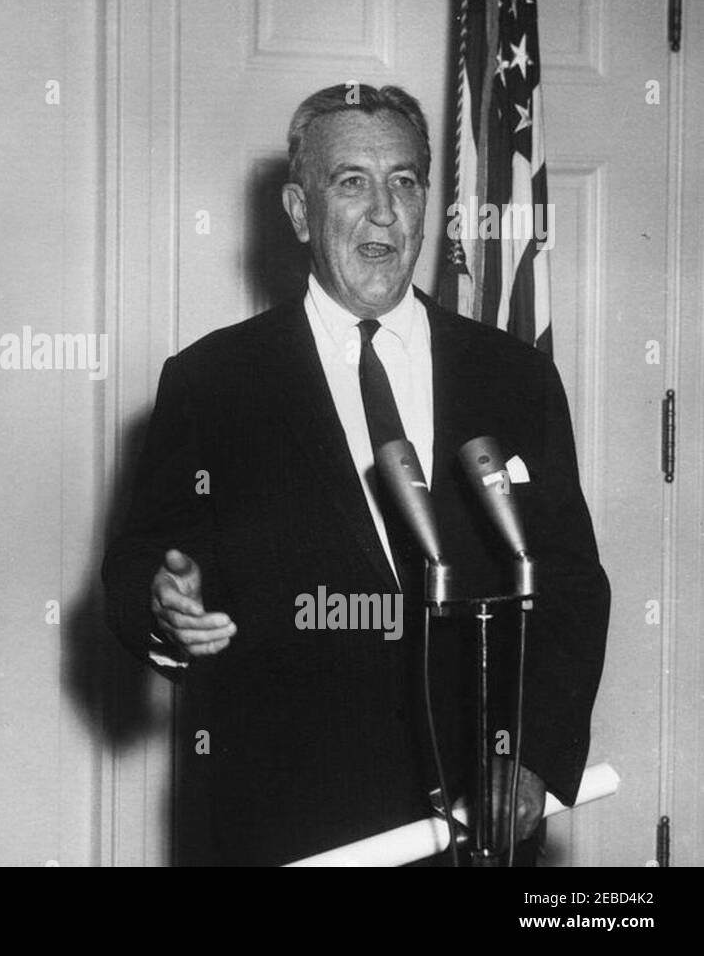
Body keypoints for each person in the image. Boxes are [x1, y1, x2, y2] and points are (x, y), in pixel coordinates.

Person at [102, 83, 610, 866]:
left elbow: (570, 581)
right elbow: (141, 561)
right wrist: (165, 605)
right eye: (352, 182)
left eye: (405, 181)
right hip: (285, 821)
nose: (383, 210)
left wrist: (534, 757)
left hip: (475, 819)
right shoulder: (212, 382)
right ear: (300, 212)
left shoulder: (514, 378)